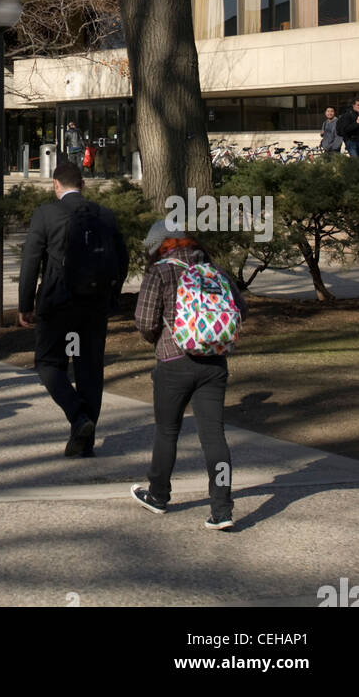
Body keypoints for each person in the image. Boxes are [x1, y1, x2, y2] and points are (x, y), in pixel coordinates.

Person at [132, 219, 248, 530]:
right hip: (214, 362)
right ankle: (222, 508)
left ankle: (158, 495)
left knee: (167, 431)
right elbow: (241, 310)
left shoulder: (160, 271)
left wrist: (161, 338)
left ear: (161, 245)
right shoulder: (215, 270)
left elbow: (144, 320)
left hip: (174, 361)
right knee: (214, 436)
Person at [18, 160, 127, 457]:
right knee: (89, 370)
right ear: (82, 184)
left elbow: (31, 261)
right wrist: (111, 296)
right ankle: (85, 440)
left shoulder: (45, 214)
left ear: (56, 185)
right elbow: (121, 259)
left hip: (57, 303)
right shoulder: (105, 215)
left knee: (49, 363)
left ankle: (78, 418)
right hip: (94, 305)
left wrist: (25, 304)